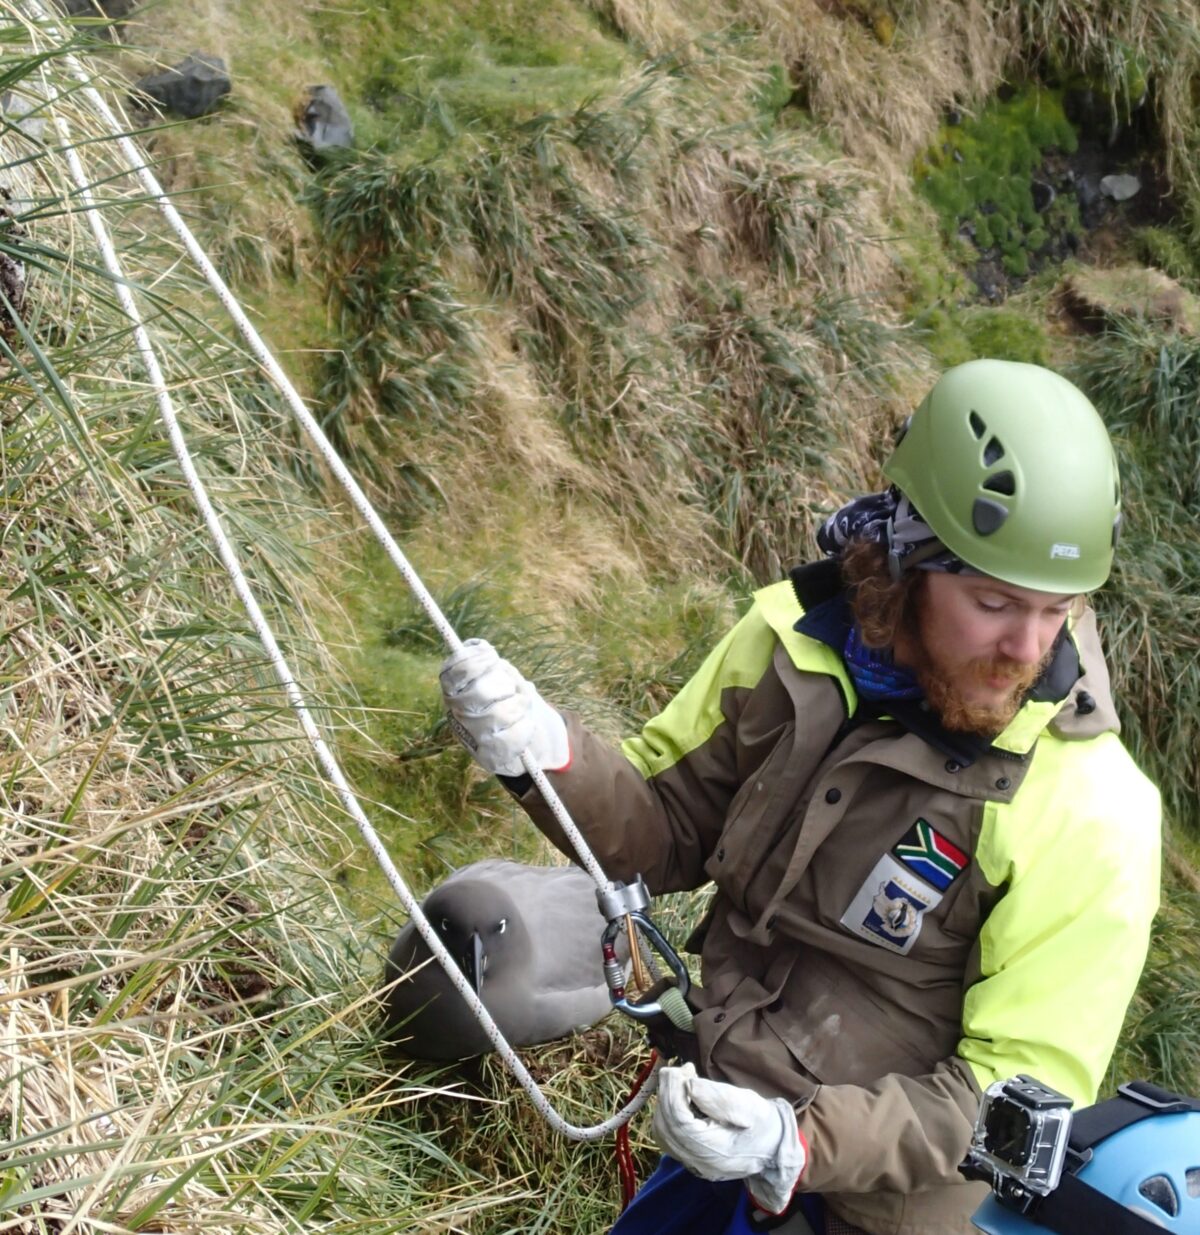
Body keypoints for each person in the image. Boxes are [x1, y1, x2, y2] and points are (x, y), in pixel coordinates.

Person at [439, 359, 1162, 1235]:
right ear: (911, 557)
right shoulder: (796, 648)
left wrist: (797, 1143)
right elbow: (667, 830)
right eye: (994, 601)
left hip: (866, 1208)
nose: (1026, 647)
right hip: (718, 1124)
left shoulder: (1091, 809)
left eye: (1058, 612)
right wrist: (545, 754)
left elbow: (1007, 1096)